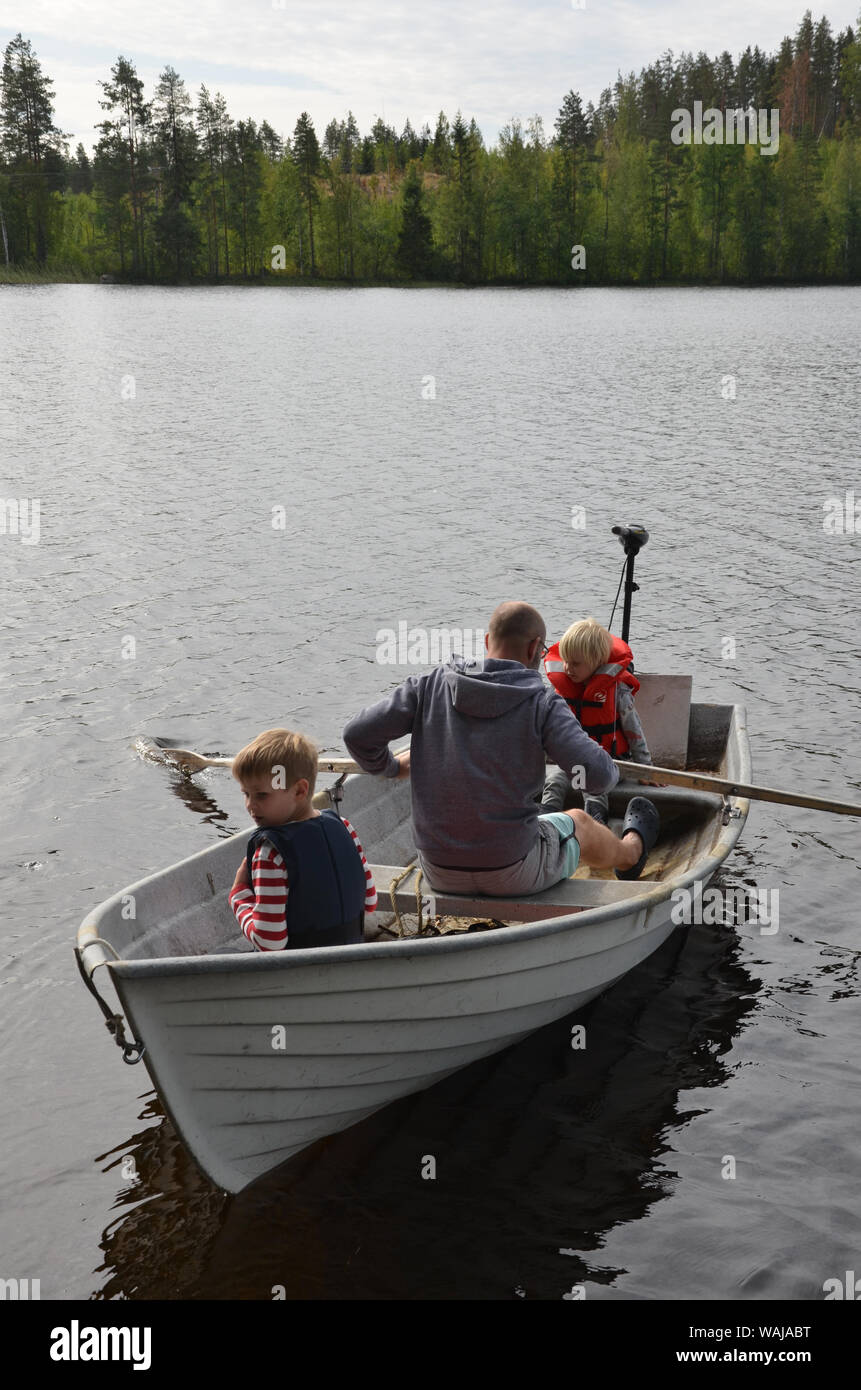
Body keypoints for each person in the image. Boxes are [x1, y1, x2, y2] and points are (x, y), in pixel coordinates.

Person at [343, 602, 659, 896]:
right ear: (535, 647)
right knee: (580, 821)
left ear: (486, 640)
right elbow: (600, 778)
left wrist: (391, 767)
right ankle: (631, 853)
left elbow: (357, 735)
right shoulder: (543, 703)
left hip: (438, 872)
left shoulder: (428, 685)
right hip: (513, 871)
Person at [229, 728, 377, 950]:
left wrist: (239, 896)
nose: (250, 805)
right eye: (246, 793)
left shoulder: (270, 853)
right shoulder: (345, 827)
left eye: (261, 795)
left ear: (299, 790)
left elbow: (270, 942)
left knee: (225, 953)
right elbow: (370, 902)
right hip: (350, 959)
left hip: (301, 975)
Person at [542, 616, 653, 825]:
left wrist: (645, 769)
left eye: (575, 663)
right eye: (565, 660)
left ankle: (596, 827)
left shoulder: (618, 691)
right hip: (572, 760)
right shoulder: (562, 690)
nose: (567, 668)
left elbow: (634, 730)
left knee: (593, 787)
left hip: (610, 762)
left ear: (597, 663)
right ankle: (544, 827)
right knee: (554, 782)